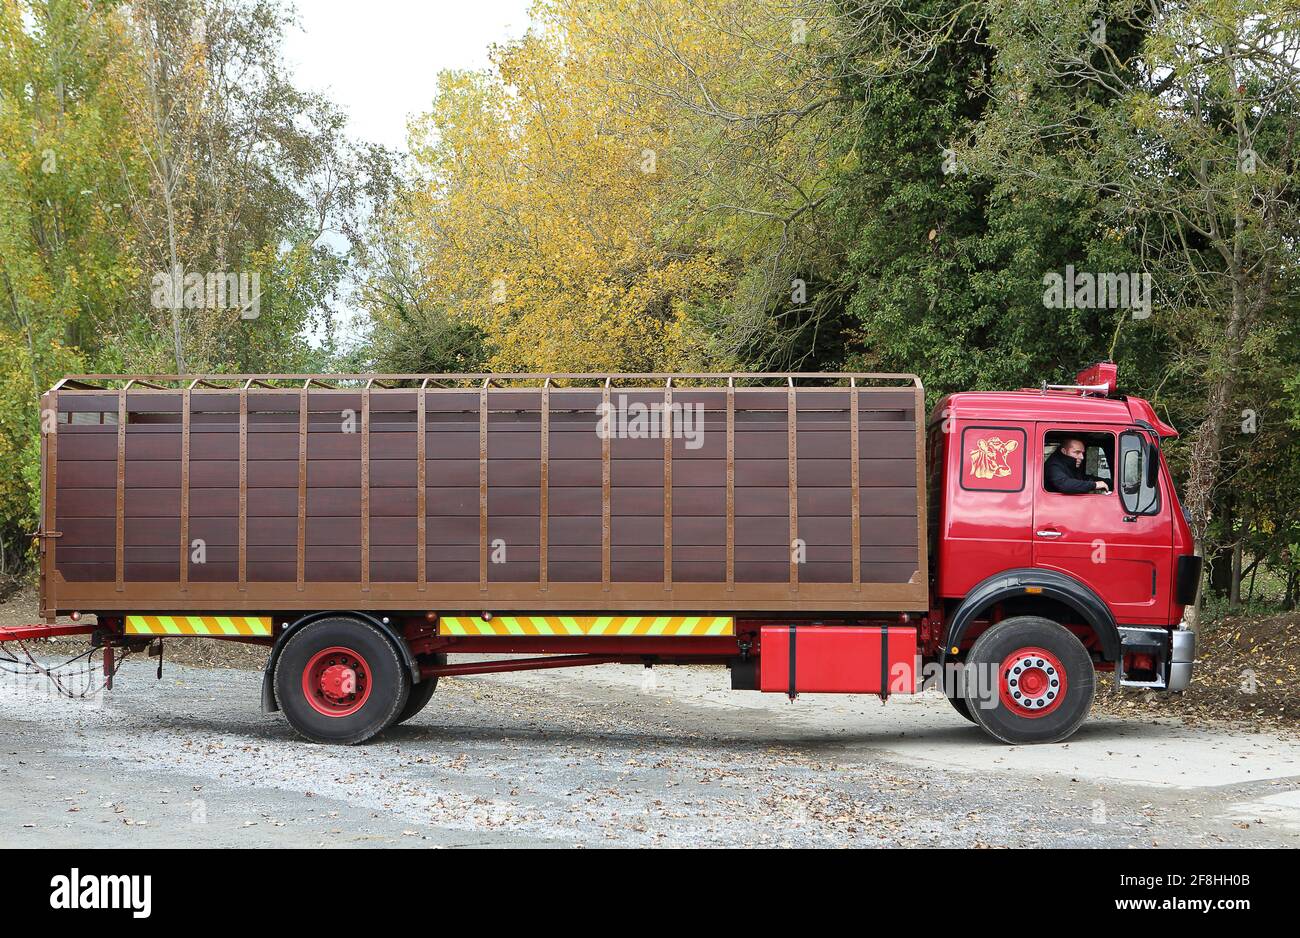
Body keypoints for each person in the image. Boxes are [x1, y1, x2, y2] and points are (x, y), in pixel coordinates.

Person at [1044, 438, 1110, 494]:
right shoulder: (1053, 466)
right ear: (1064, 451)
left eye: (1082, 453)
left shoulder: (1069, 465)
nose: (1082, 457)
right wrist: (1095, 485)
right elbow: (1064, 484)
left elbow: (1082, 478)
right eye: (1077, 452)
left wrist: (1108, 483)